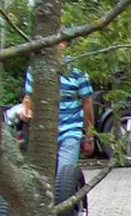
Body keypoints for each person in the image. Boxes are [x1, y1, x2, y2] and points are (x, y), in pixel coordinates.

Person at [21, 40, 93, 177]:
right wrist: (26, 110)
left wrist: (89, 137)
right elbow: (28, 98)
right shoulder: (36, 68)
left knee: (64, 176)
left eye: (60, 42)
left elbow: (87, 103)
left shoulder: (76, 69)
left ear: (65, 45)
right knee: (42, 177)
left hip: (70, 130)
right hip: (43, 132)